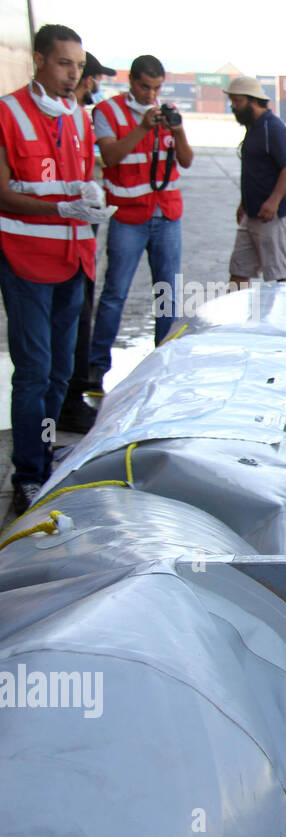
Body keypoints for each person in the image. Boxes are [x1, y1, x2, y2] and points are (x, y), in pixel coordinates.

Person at [0, 24, 111, 516]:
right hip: (25, 259)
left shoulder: (79, 117)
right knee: (34, 372)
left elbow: (79, 179)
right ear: (40, 61)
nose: (74, 75)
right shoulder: (8, 113)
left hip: (75, 259)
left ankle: (45, 452)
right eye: (65, 64)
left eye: (79, 66)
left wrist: (89, 199)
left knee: (61, 373)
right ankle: (28, 472)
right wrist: (61, 210)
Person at [89, 55, 193, 392]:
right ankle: (95, 367)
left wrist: (176, 131)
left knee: (167, 294)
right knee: (115, 293)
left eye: (157, 88)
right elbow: (112, 157)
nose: (151, 95)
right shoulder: (107, 112)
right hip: (128, 216)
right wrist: (143, 127)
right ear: (131, 82)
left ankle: (164, 361)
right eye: (145, 87)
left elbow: (187, 160)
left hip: (166, 214)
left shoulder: (169, 110)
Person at [57, 51, 118, 434]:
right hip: (52, 243)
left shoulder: (79, 116)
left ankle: (72, 396)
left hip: (80, 236)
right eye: (89, 76)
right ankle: (65, 402)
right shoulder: (64, 117)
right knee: (64, 325)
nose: (92, 83)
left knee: (77, 316)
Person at [225, 76, 286, 288]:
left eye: (237, 101)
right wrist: (244, 203)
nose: (233, 107)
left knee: (279, 277)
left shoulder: (273, 128)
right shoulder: (253, 127)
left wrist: (273, 201)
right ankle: (237, 318)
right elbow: (255, 171)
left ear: (252, 101)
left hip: (272, 215)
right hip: (252, 213)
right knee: (238, 272)